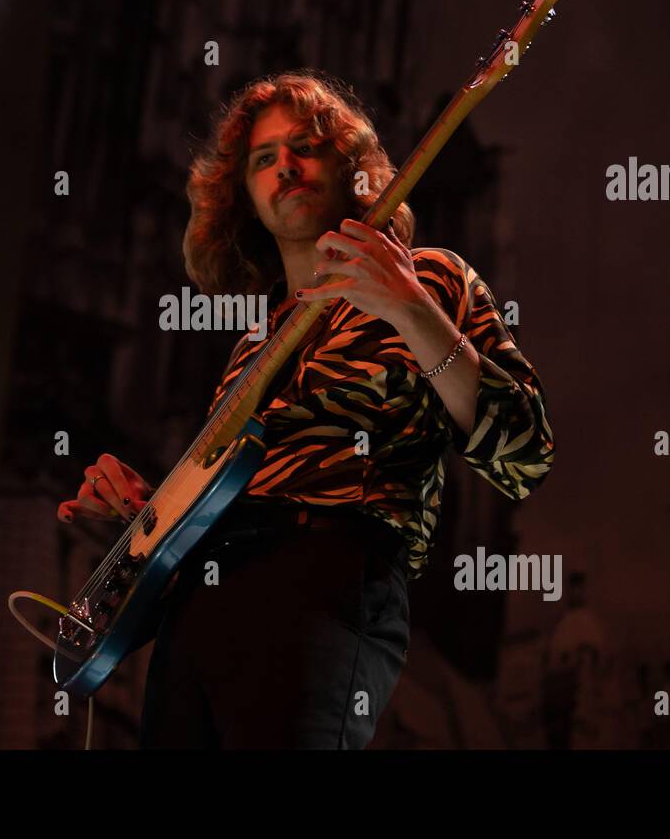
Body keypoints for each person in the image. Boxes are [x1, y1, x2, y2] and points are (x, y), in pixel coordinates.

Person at [57, 70, 555, 748]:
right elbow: (216, 505)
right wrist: (148, 520)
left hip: (326, 583)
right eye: (263, 159)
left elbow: (525, 451)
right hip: (197, 617)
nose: (284, 166)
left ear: (354, 170)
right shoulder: (247, 351)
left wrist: (410, 310)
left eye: (307, 146)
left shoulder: (431, 276)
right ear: (248, 198)